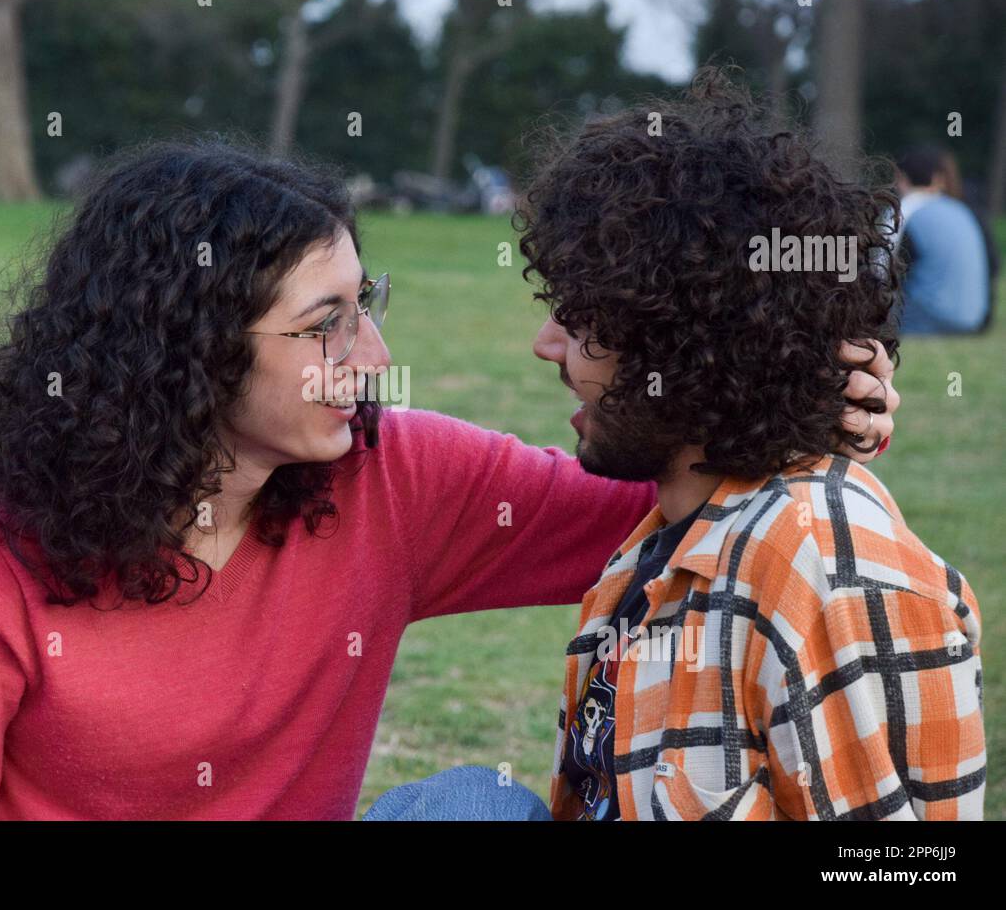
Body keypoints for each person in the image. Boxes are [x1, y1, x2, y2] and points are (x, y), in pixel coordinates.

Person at [0, 137, 897, 820]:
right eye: (325, 325)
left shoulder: (388, 475)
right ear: (186, 350)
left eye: (366, 304)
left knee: (477, 808)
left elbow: (669, 502)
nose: (369, 355)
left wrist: (806, 411)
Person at [366, 70, 983, 822]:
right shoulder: (660, 538)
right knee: (461, 804)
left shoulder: (828, 578)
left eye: (582, 322)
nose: (544, 344)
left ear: (689, 348)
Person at [894, 146, 991, 334]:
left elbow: (879, 270)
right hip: (972, 319)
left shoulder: (905, 210)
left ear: (901, 177)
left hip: (930, 317)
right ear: (937, 178)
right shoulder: (961, 209)